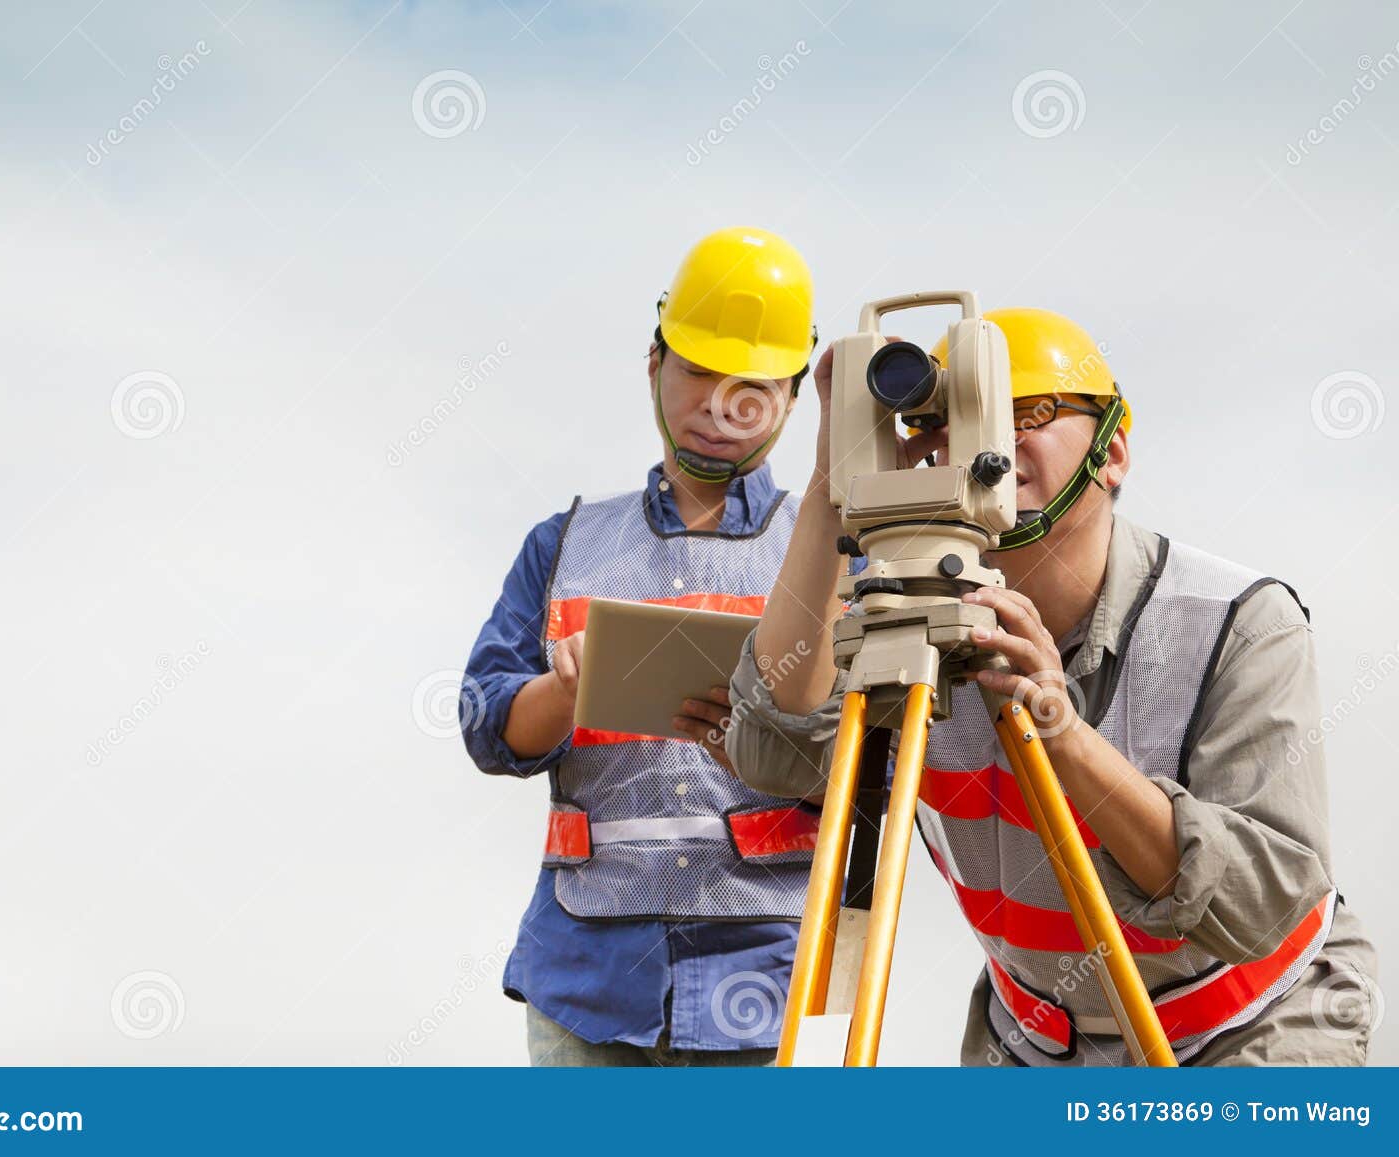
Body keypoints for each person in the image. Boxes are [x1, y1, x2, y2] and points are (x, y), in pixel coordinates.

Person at [724, 308, 1380, 1065]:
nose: (980, 438)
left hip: (1244, 1025)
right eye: (938, 421)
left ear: (1115, 450)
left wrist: (1064, 735)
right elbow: (772, 749)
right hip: (1034, 1037)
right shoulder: (902, 623)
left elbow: (1268, 903)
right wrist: (831, 485)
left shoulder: (1238, 621)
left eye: (1027, 411)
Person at [459, 227, 848, 1065]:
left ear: (792, 396)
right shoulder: (565, 545)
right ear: (653, 363)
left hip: (770, 972)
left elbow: (883, 765)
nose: (717, 407)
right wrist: (560, 694)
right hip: (588, 978)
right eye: (698, 372)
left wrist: (771, 733)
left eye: (750, 386)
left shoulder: (830, 556)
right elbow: (486, 725)